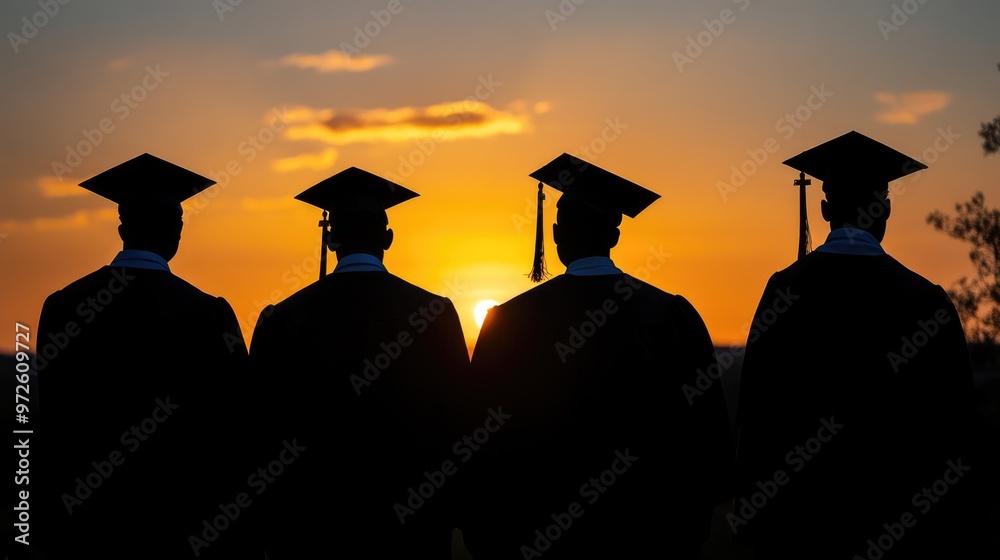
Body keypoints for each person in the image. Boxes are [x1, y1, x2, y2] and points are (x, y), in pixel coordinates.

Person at [462, 153, 734, 559]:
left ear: (554, 235)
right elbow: (706, 435)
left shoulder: (509, 321)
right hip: (646, 534)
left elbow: (478, 440)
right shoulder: (668, 314)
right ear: (615, 236)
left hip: (538, 534)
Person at [733, 131, 983, 558]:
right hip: (901, 524)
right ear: (885, 210)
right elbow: (955, 426)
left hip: (801, 527)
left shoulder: (785, 291)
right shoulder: (926, 300)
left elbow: (756, 414)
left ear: (825, 209)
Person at [34, 153, 252, 559]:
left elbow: (45, 424)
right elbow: (236, 424)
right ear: (176, 232)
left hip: (85, 529)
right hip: (179, 524)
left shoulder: (65, 305)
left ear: (122, 228)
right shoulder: (208, 313)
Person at [248, 167, 470, 558]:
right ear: (388, 239)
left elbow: (258, 429)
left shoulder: (283, 319)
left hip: (312, 527)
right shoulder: (433, 314)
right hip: (410, 525)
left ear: (331, 238)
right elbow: (459, 422)